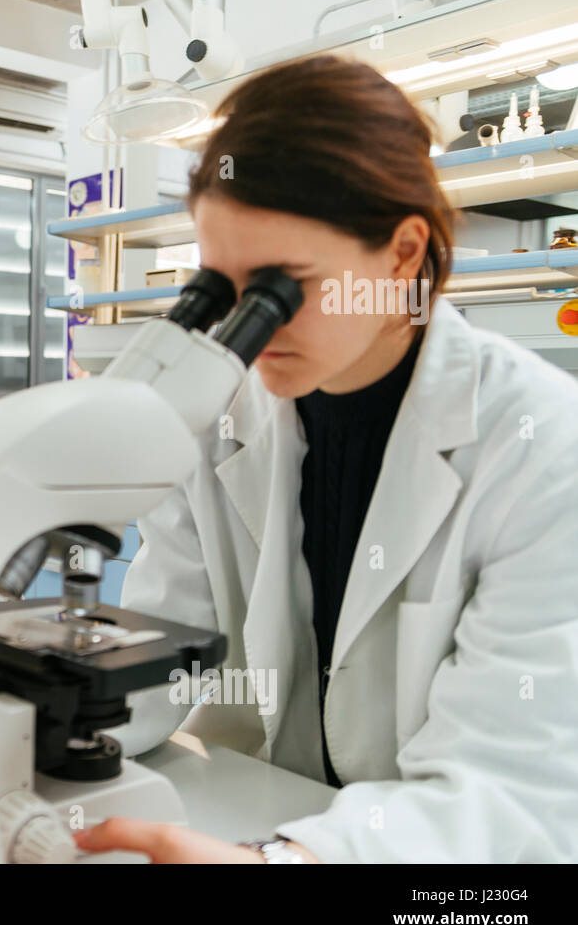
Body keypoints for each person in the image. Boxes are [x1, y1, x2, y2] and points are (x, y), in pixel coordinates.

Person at [77, 55, 578, 863]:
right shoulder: (214, 416)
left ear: (403, 253)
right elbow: (160, 655)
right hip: (252, 804)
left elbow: (511, 794)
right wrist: (36, 734)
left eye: (285, 286)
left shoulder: (544, 445)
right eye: (221, 288)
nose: (250, 324)